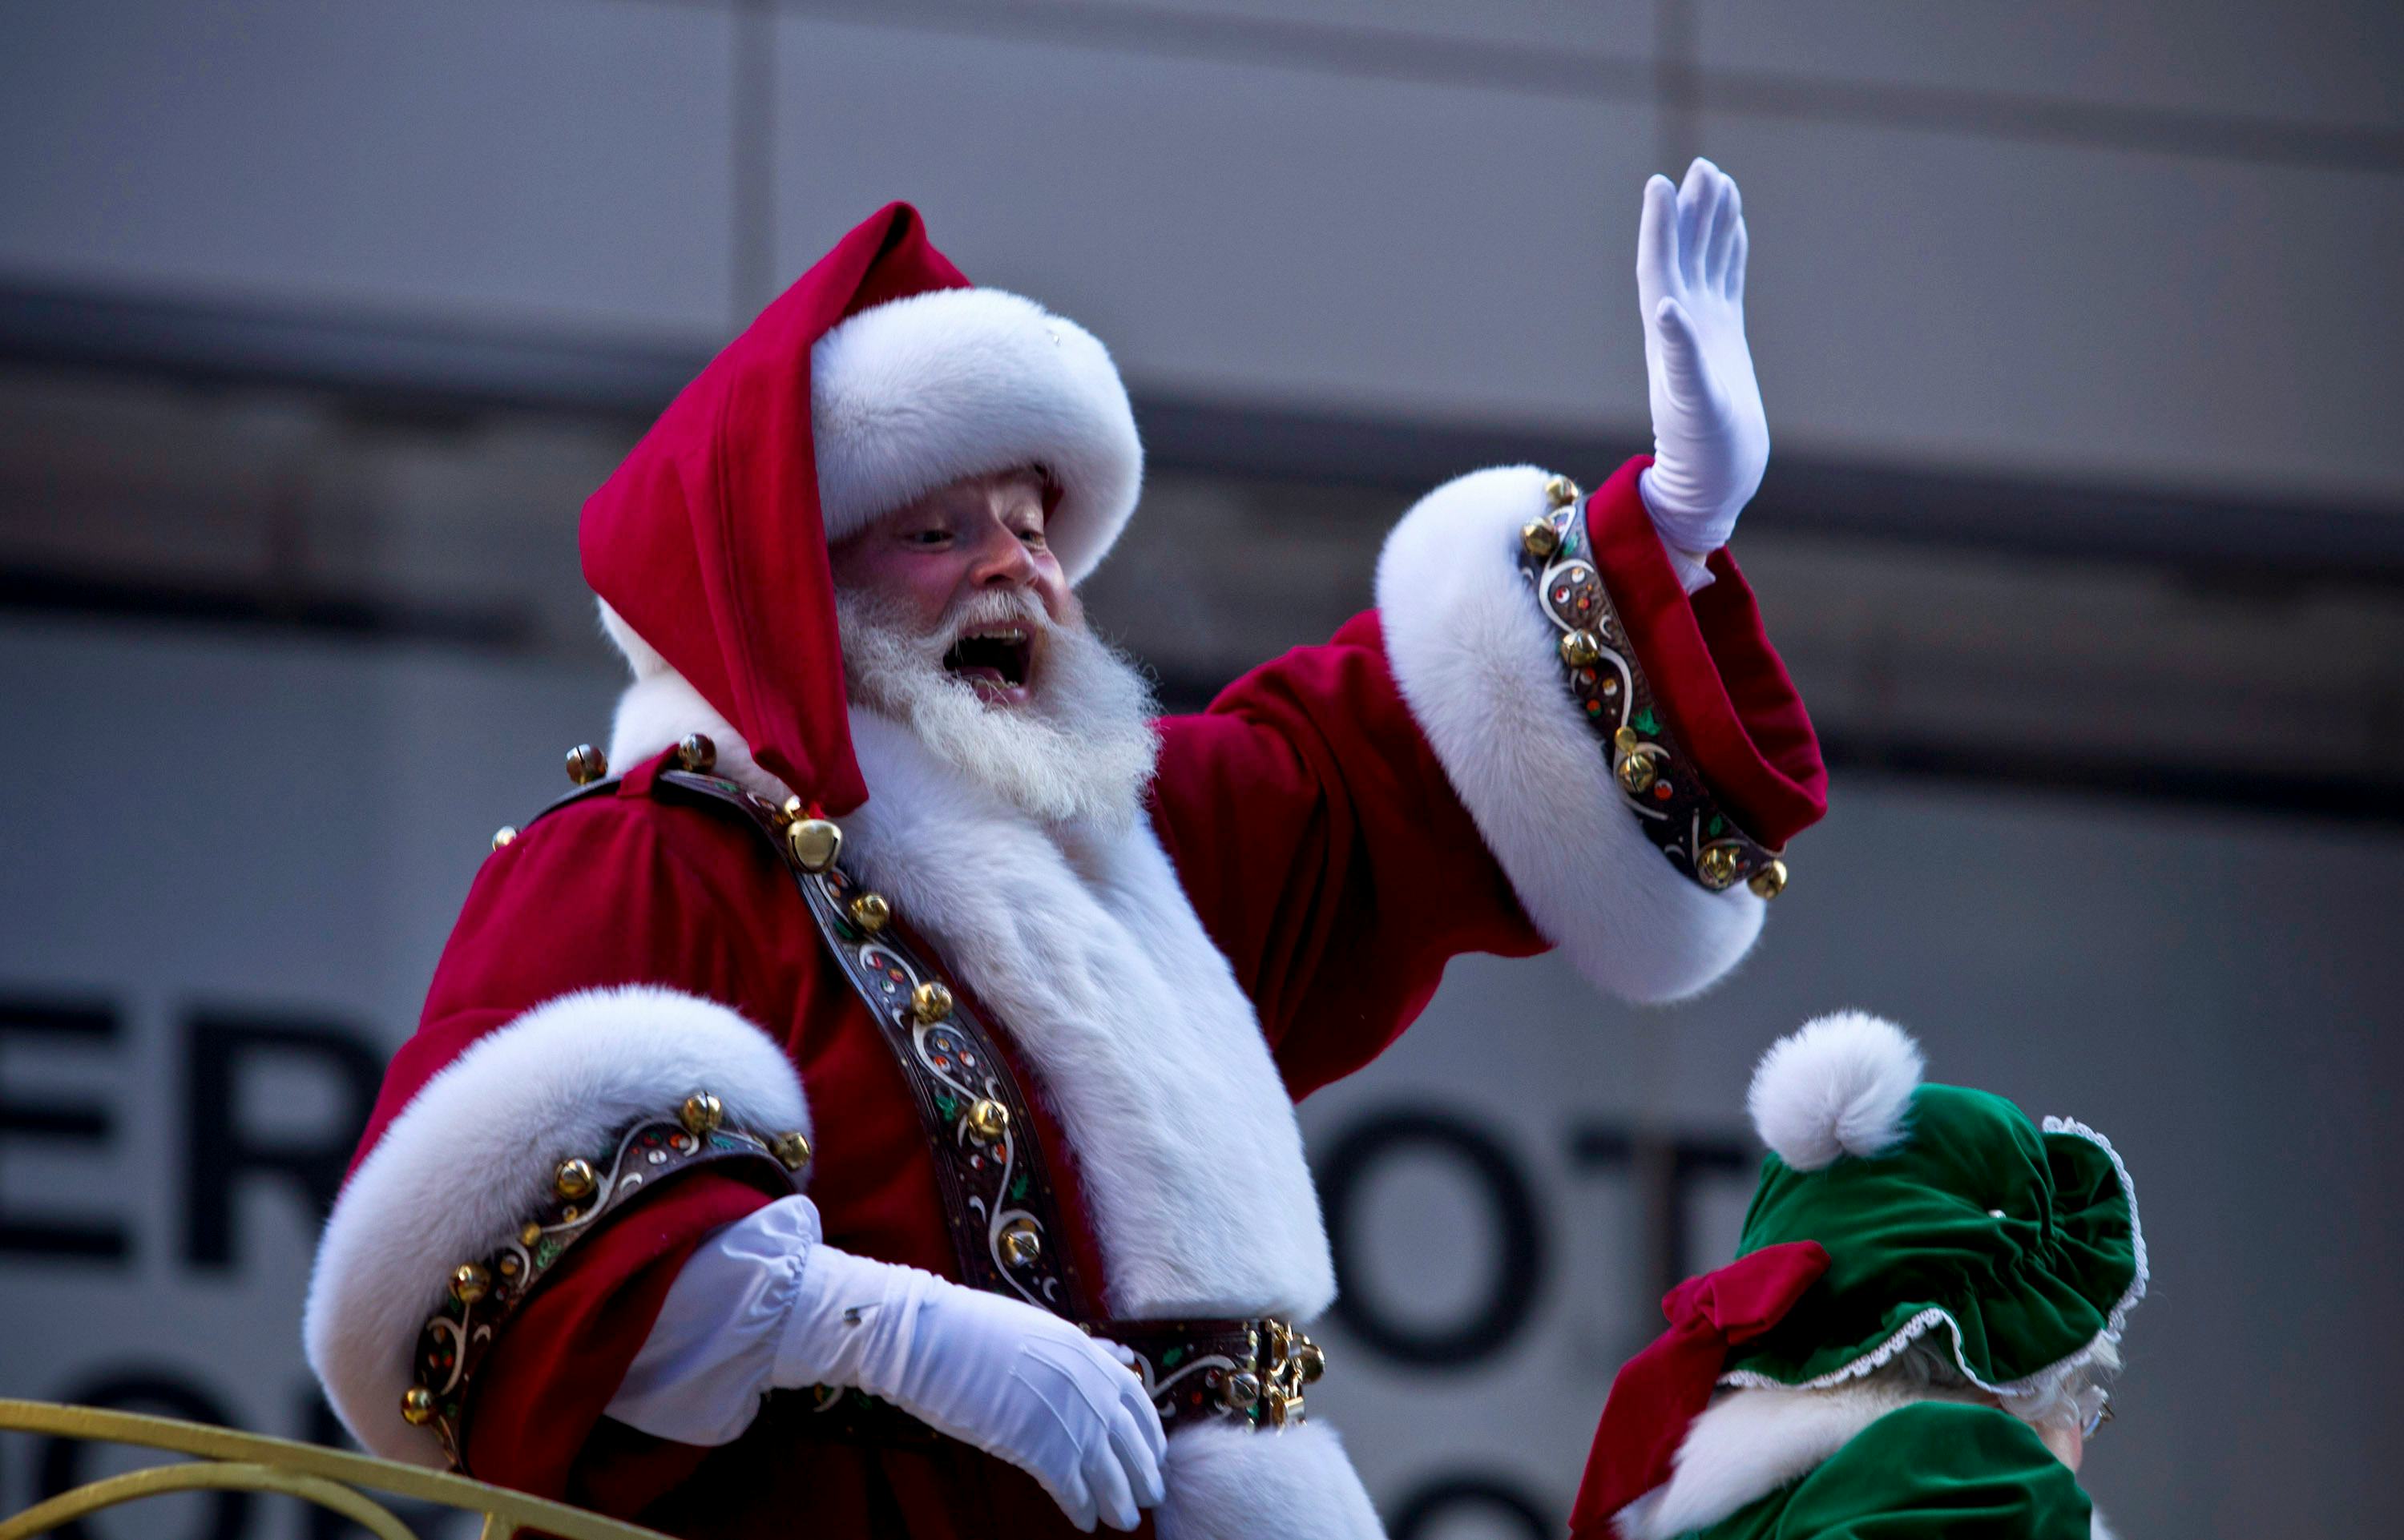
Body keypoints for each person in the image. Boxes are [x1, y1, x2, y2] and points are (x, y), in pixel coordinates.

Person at [303, 159, 1825, 1540]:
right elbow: (492, 1261)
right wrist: (874, 1328)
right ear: (794, 588)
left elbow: (1394, 765)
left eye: (1035, 523)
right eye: (939, 528)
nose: (1016, 566)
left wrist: (1668, 532)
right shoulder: (660, 862)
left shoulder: (1133, 846)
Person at [1570, 1013, 2143, 1540]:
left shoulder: (1723, 1517)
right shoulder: (1967, 1480)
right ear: (2004, 1377)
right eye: (2082, 1411)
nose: (2078, 1441)